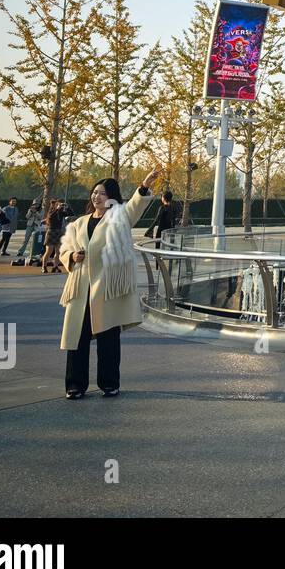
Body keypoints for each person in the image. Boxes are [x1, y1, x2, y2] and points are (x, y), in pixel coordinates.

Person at [59, 170, 162, 399]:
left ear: (112, 197)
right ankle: (75, 385)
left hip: (107, 288)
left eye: (102, 194)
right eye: (94, 193)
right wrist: (71, 256)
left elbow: (135, 206)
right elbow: (64, 249)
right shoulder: (78, 223)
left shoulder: (119, 218)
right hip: (80, 288)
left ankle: (109, 383)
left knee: (108, 340)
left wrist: (144, 186)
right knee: (77, 338)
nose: (97, 197)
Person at [13, 200, 42, 265]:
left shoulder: (41, 209)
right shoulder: (30, 210)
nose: (36, 205)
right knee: (26, 239)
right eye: (35, 204)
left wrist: (36, 212)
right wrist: (31, 211)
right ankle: (20, 251)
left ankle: (36, 253)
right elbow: (27, 217)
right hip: (30, 225)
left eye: (37, 204)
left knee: (36, 240)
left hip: (37, 225)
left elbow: (40, 217)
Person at [41, 200, 64, 273]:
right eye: (57, 204)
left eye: (59, 204)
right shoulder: (51, 212)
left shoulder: (60, 213)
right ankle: (44, 266)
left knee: (58, 252)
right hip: (51, 232)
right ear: (53, 205)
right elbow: (51, 216)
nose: (58, 205)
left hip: (59, 232)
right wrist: (57, 209)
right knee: (49, 251)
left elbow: (71, 213)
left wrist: (66, 207)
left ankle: (55, 266)